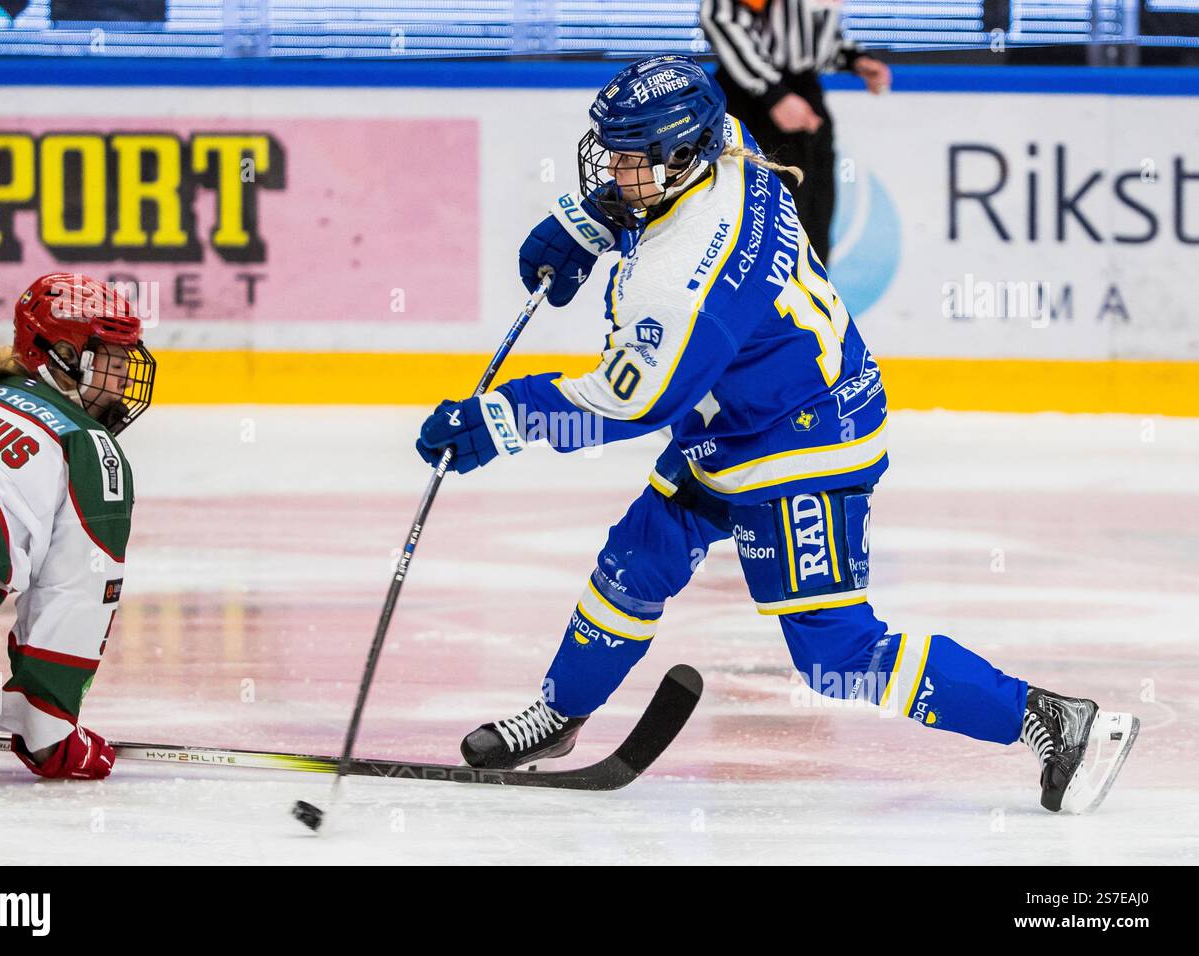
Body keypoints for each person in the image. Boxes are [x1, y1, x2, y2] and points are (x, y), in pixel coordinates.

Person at [415, 55, 1138, 813]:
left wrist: (503, 418)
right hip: (741, 414)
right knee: (637, 560)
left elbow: (636, 401)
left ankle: (1052, 721)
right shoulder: (721, 143)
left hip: (803, 443)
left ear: (678, 158)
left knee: (839, 656)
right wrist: (592, 219)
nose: (617, 168)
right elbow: (659, 201)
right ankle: (560, 715)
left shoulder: (690, 268)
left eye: (631, 159)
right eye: (615, 155)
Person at [0, 273, 155, 779]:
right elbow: (74, 597)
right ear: (63, 355)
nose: (124, 378)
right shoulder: (88, 446)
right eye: (114, 359)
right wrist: (50, 732)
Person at [700, 0, 891, 263]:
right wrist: (773, 93)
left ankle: (810, 298)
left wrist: (855, 60)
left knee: (814, 213)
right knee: (754, 214)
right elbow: (721, 18)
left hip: (802, 92)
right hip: (753, 99)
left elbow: (815, 37)